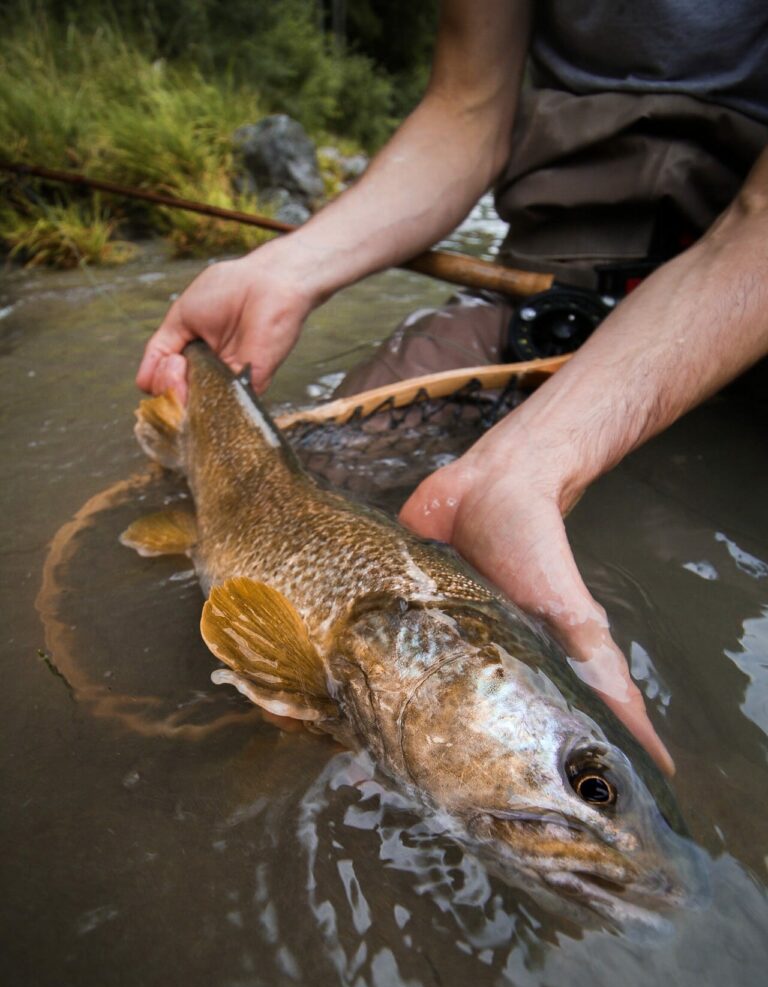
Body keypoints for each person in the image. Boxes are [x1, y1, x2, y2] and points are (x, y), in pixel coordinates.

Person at [137, 1, 768, 774]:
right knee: (309, 473)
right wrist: (284, 271)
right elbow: (464, 111)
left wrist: (529, 464)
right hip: (541, 274)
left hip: (745, 298)